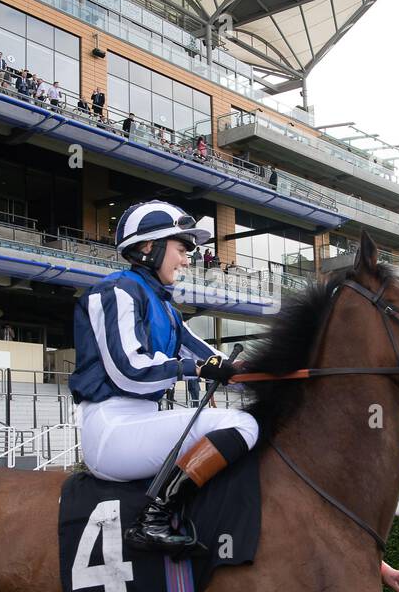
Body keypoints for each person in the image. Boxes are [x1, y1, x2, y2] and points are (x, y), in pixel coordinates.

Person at [69, 201, 258, 554]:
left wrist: (258, 373)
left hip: (141, 422)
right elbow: (129, 371)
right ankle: (154, 517)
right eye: (181, 249)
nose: (187, 260)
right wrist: (197, 370)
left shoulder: (165, 306)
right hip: (111, 429)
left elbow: (203, 353)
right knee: (242, 424)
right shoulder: (116, 291)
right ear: (147, 246)